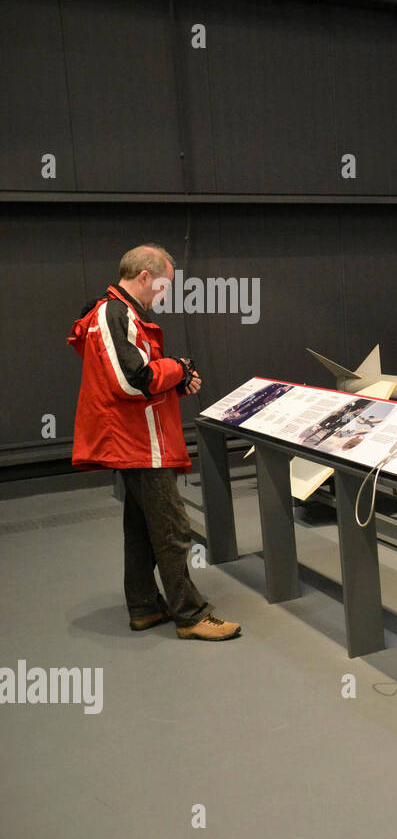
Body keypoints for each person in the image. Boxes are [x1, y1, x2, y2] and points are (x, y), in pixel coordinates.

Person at [67, 244, 242, 641]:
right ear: (144, 276)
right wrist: (177, 368)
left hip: (136, 439)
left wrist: (176, 383)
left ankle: (145, 606)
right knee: (172, 529)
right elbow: (133, 380)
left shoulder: (117, 314)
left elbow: (137, 382)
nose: (164, 295)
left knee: (143, 528)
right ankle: (190, 614)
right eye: (163, 286)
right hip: (139, 444)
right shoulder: (115, 314)